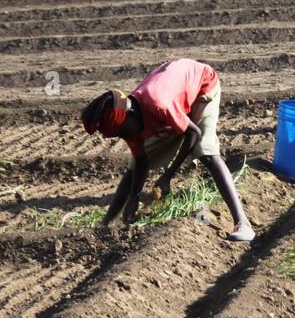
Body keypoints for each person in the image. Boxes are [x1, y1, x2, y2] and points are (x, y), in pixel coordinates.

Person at [81, 58, 254, 241]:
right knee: (133, 168)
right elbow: (141, 161)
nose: (125, 137)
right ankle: (106, 224)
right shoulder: (128, 121)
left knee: (206, 151)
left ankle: (243, 223)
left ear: (131, 115)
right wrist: (134, 196)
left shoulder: (158, 103)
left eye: (123, 132)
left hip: (203, 86)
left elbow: (193, 133)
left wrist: (167, 177)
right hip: (176, 97)